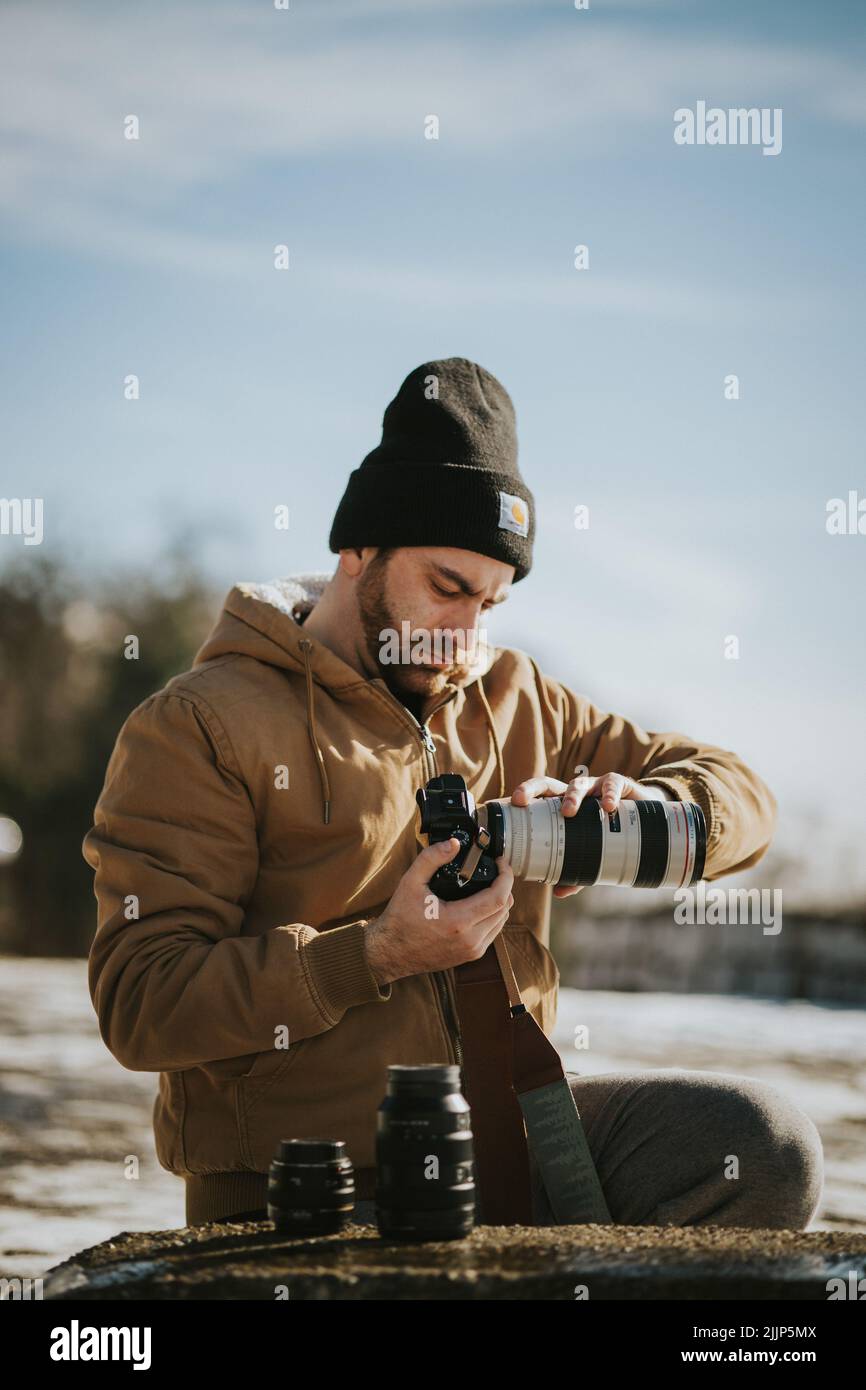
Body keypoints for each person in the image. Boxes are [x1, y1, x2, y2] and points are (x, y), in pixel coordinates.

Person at [83, 357, 823, 1231]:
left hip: (512, 1142)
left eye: (492, 601)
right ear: (360, 549)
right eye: (446, 588)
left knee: (761, 1143)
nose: (466, 634)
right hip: (311, 1185)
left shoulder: (519, 697)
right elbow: (142, 1001)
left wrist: (644, 805)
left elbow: (745, 798)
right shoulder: (202, 724)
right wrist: (375, 953)